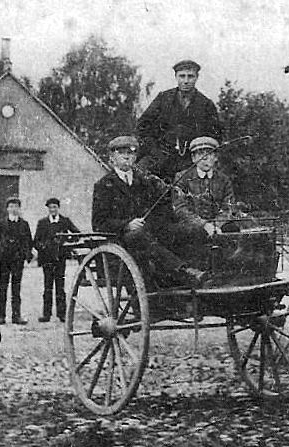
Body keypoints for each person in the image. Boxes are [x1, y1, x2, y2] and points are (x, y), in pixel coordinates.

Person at [91, 135, 206, 287]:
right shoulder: (104, 185)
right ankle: (184, 271)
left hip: (150, 233)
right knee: (138, 235)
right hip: (123, 241)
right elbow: (99, 223)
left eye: (131, 153)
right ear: (112, 158)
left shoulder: (145, 181)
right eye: (121, 153)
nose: (127, 156)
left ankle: (202, 274)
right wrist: (127, 225)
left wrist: (169, 193)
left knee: (189, 230)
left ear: (135, 156)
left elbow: (161, 209)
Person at [136, 59, 223, 181]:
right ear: (176, 77)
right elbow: (142, 126)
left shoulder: (206, 105)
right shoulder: (163, 98)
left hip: (190, 161)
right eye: (182, 76)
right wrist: (154, 150)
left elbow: (215, 136)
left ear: (197, 78)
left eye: (190, 76)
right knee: (137, 176)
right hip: (160, 155)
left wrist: (200, 155)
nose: (186, 81)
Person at [173, 136, 235, 239]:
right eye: (200, 154)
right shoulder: (182, 177)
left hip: (218, 225)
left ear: (215, 157)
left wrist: (216, 225)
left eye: (209, 153)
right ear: (193, 158)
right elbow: (180, 208)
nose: (205, 158)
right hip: (193, 225)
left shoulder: (223, 180)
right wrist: (204, 225)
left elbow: (228, 207)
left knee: (233, 230)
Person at [33, 197, 80, 322]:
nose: (53, 209)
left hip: (60, 258)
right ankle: (46, 314)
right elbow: (36, 241)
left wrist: (66, 241)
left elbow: (76, 234)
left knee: (60, 286)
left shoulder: (65, 221)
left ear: (58, 208)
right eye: (50, 207)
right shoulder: (42, 222)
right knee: (47, 286)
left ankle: (62, 314)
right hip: (47, 259)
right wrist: (43, 247)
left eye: (55, 207)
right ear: (48, 209)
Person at [0, 197, 33, 325]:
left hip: (18, 261)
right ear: (7, 208)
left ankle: (16, 316)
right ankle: (1, 316)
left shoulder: (24, 224)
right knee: (2, 288)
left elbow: (28, 241)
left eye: (16, 206)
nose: (14, 209)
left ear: (19, 209)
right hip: (4, 260)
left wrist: (25, 255)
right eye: (11, 206)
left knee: (16, 289)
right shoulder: (1, 224)